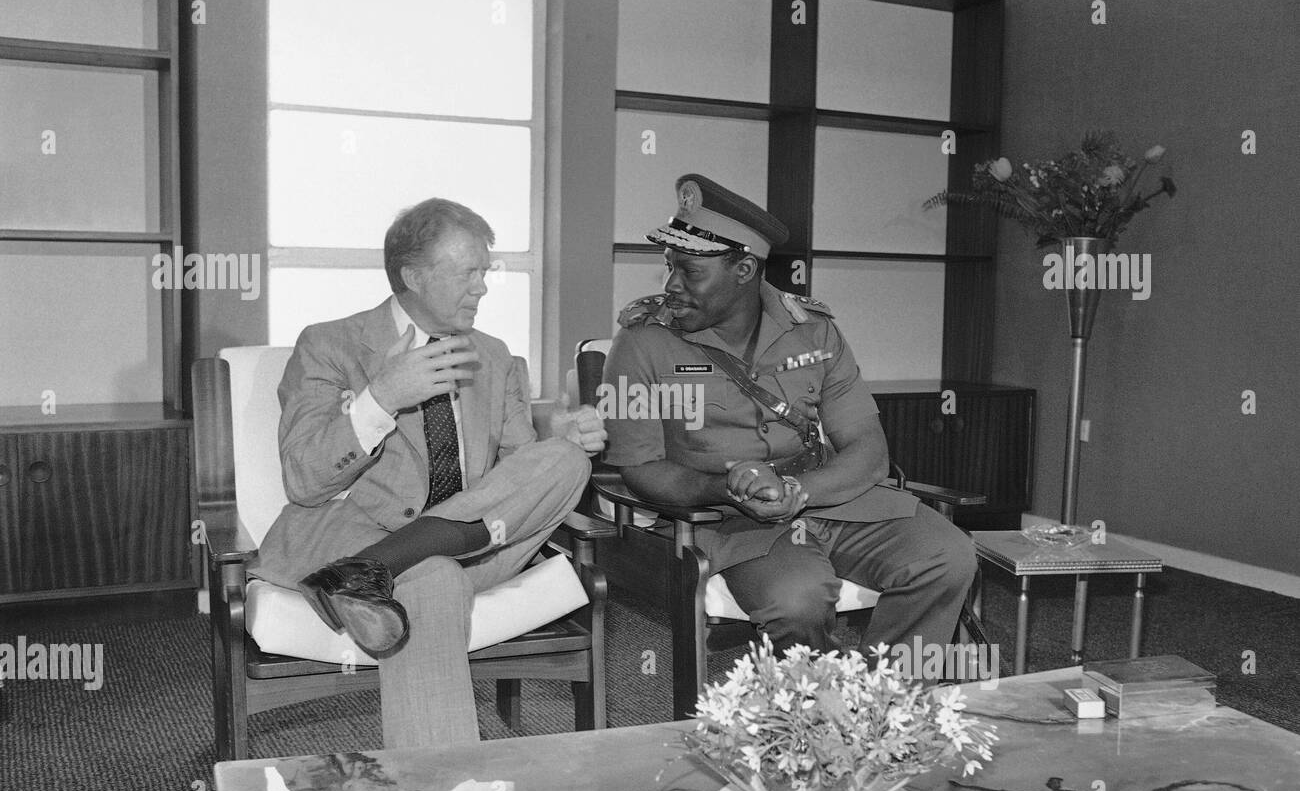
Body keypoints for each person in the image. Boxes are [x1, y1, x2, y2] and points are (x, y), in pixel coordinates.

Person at [252, 198, 606, 749]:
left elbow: (512, 481)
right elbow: (304, 479)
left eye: (484, 272)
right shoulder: (328, 344)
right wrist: (383, 398)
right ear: (413, 275)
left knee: (566, 460)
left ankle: (367, 574)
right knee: (434, 577)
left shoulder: (494, 355)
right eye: (469, 272)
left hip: (476, 546)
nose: (483, 287)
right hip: (349, 531)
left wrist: (556, 437)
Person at [601, 173, 975, 663]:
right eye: (669, 267)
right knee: (798, 601)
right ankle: (812, 712)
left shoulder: (815, 331)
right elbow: (640, 468)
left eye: (689, 272)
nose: (671, 286)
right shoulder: (639, 343)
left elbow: (867, 447)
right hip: (731, 519)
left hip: (831, 499)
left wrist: (800, 493)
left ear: (744, 269)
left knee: (948, 556)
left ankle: (883, 701)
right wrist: (729, 487)